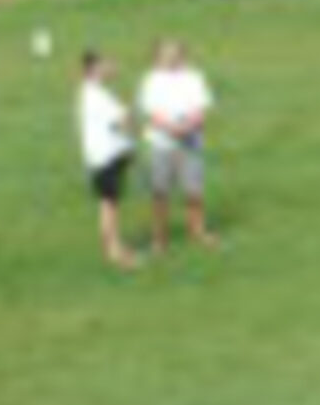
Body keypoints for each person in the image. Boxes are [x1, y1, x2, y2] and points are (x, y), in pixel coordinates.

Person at [137, 37, 220, 252]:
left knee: (194, 190)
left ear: (182, 55)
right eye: (166, 54)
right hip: (161, 142)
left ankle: (198, 230)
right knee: (160, 192)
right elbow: (149, 112)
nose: (171, 58)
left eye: (175, 53)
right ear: (158, 57)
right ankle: (159, 238)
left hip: (191, 141)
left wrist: (188, 126)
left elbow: (202, 108)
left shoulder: (194, 77)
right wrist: (171, 128)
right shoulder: (151, 79)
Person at [76, 49, 142, 270]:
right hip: (105, 157)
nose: (111, 67)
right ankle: (114, 251)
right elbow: (122, 121)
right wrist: (133, 119)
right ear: (93, 69)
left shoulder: (95, 92)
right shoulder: (96, 95)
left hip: (106, 156)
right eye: (105, 64)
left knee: (110, 204)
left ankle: (114, 246)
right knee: (109, 205)